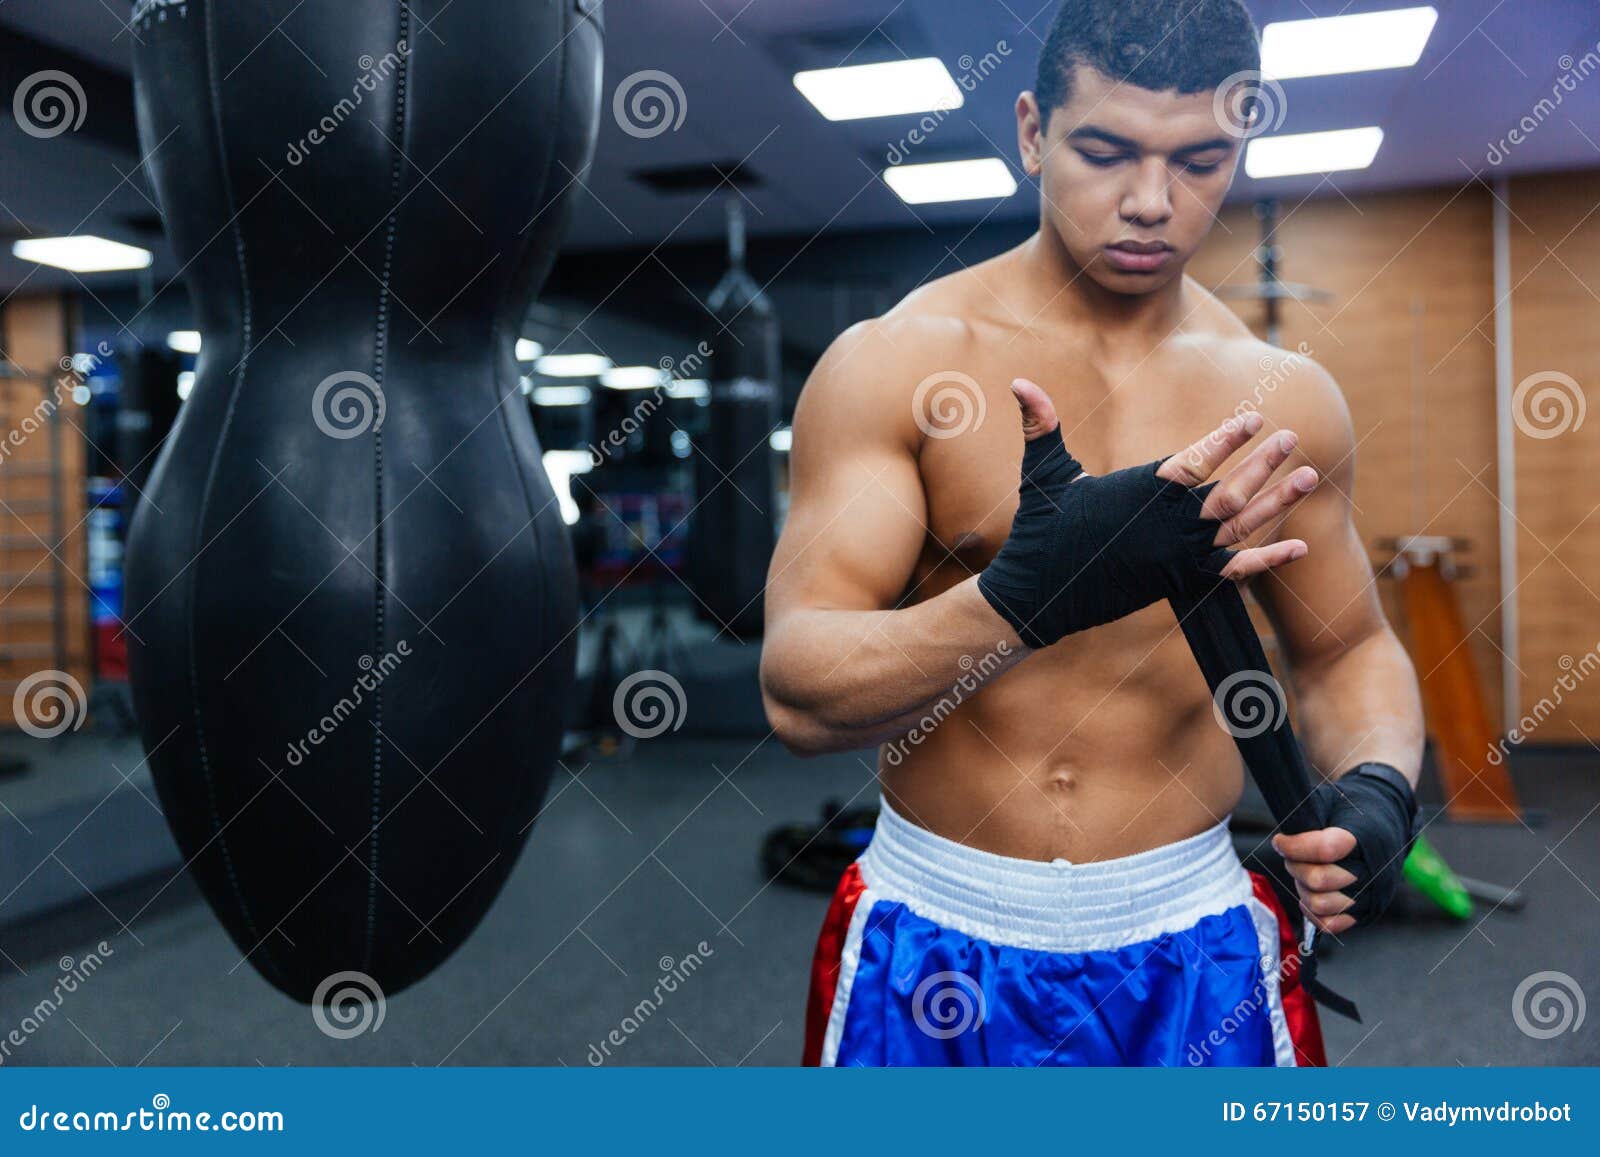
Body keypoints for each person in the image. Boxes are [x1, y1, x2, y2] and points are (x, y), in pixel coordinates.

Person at [761, 0, 1426, 1067]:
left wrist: (1380, 787)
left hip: (1193, 940)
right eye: (1106, 151)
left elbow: (1347, 651)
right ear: (1031, 132)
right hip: (933, 931)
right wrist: (1019, 600)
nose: (1152, 203)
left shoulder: (1283, 398)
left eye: (1201, 160)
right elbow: (797, 689)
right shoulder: (892, 365)